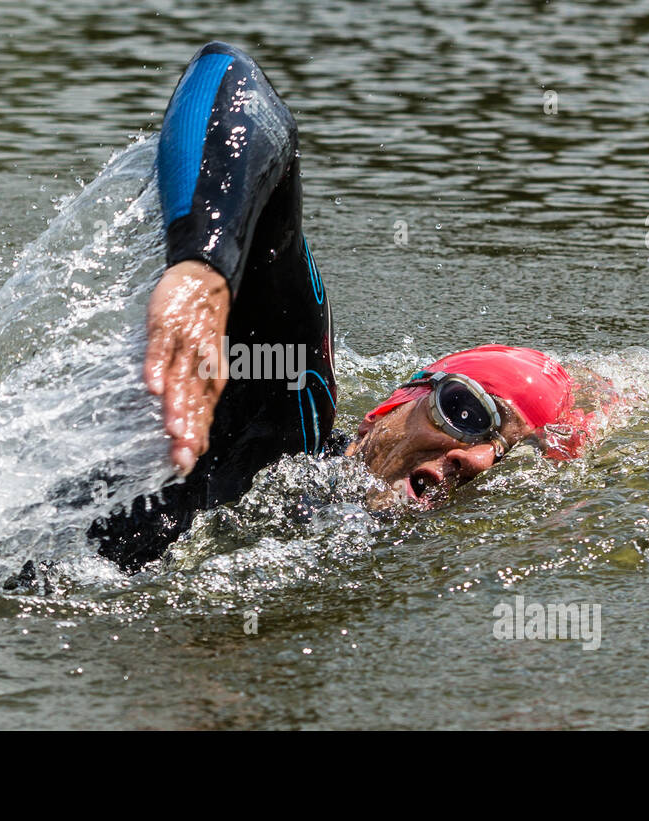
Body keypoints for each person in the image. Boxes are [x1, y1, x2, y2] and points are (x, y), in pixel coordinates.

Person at [88, 42, 590, 572]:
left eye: (506, 460)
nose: (478, 458)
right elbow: (230, 76)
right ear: (391, 406)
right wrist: (201, 269)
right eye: (465, 413)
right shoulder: (288, 408)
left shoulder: (387, 577)